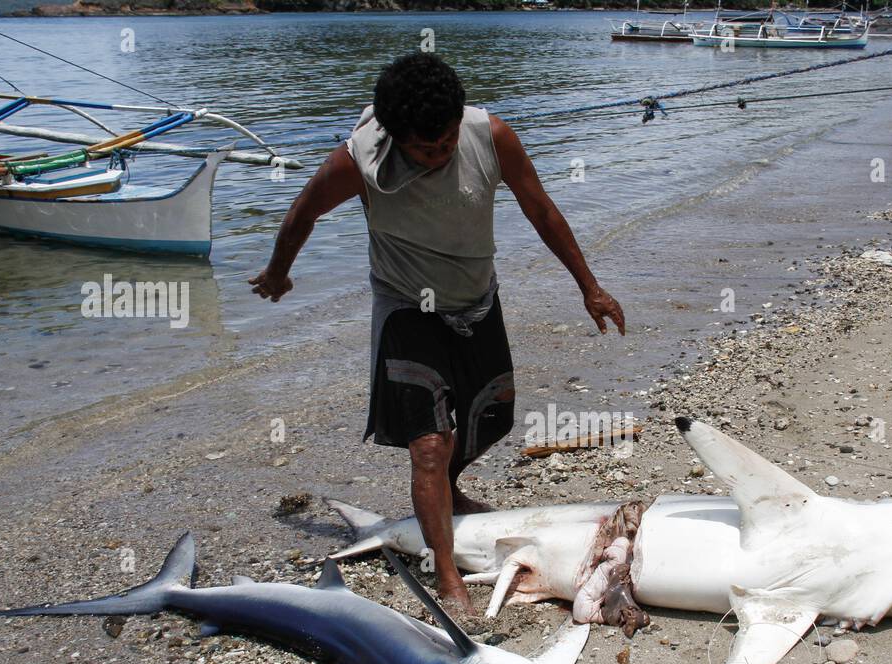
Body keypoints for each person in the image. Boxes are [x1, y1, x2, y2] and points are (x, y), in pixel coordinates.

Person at [250, 52, 626, 616]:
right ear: (395, 136)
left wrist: (589, 286)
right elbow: (303, 210)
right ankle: (447, 578)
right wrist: (280, 271)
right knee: (429, 445)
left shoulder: (491, 135)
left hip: (477, 298)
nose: (441, 152)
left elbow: (541, 210)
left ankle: (446, 495)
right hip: (406, 307)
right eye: (426, 148)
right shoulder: (358, 161)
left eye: (448, 140)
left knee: (491, 419)